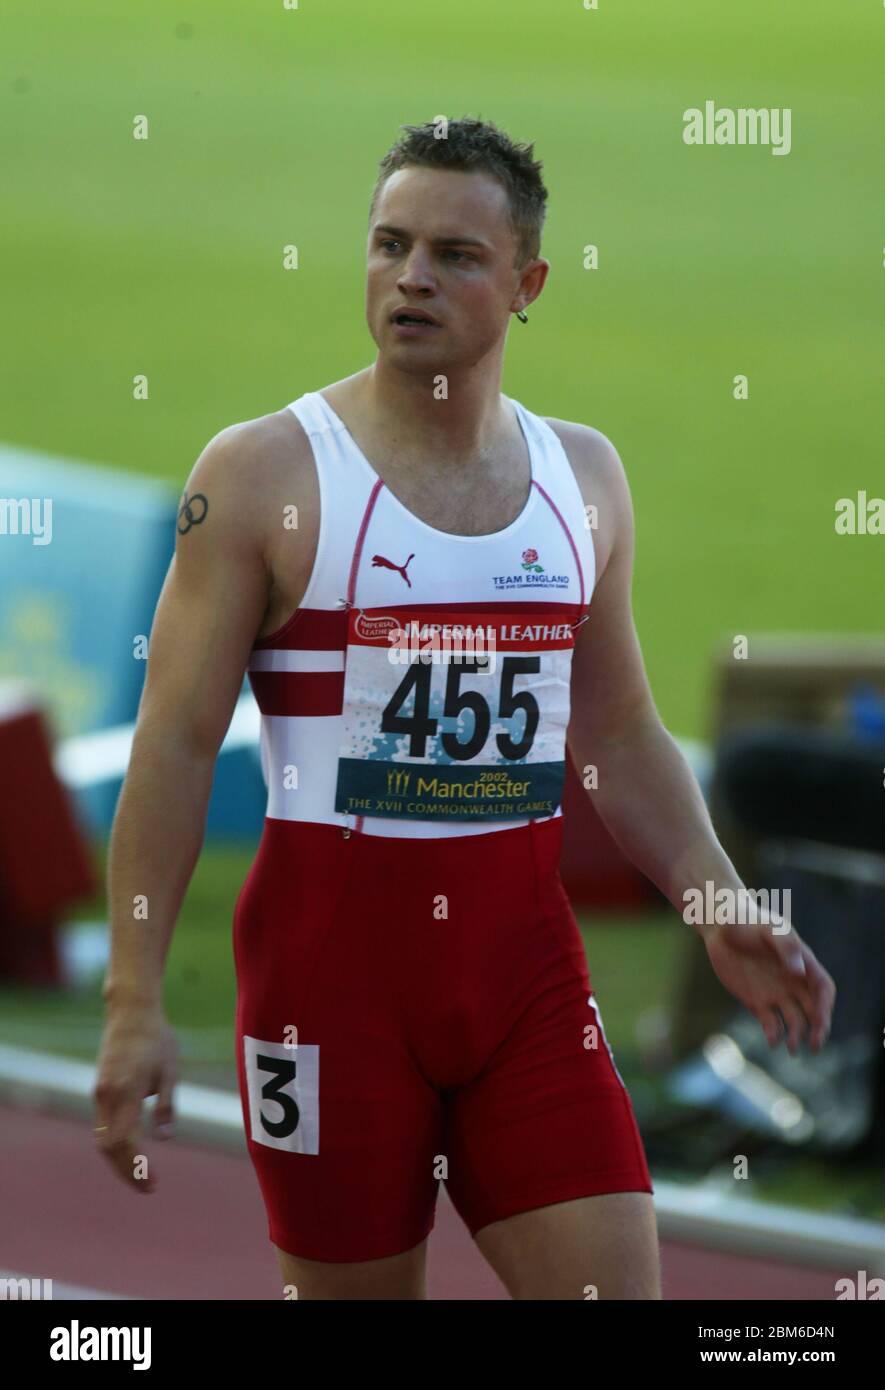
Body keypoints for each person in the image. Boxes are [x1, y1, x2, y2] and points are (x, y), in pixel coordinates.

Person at [93, 117, 836, 1300]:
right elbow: (175, 746)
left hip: (524, 983)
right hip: (329, 993)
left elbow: (618, 729)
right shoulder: (262, 474)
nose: (411, 278)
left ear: (528, 284)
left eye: (455, 255)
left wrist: (715, 898)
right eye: (390, 245)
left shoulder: (583, 477)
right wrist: (134, 999)